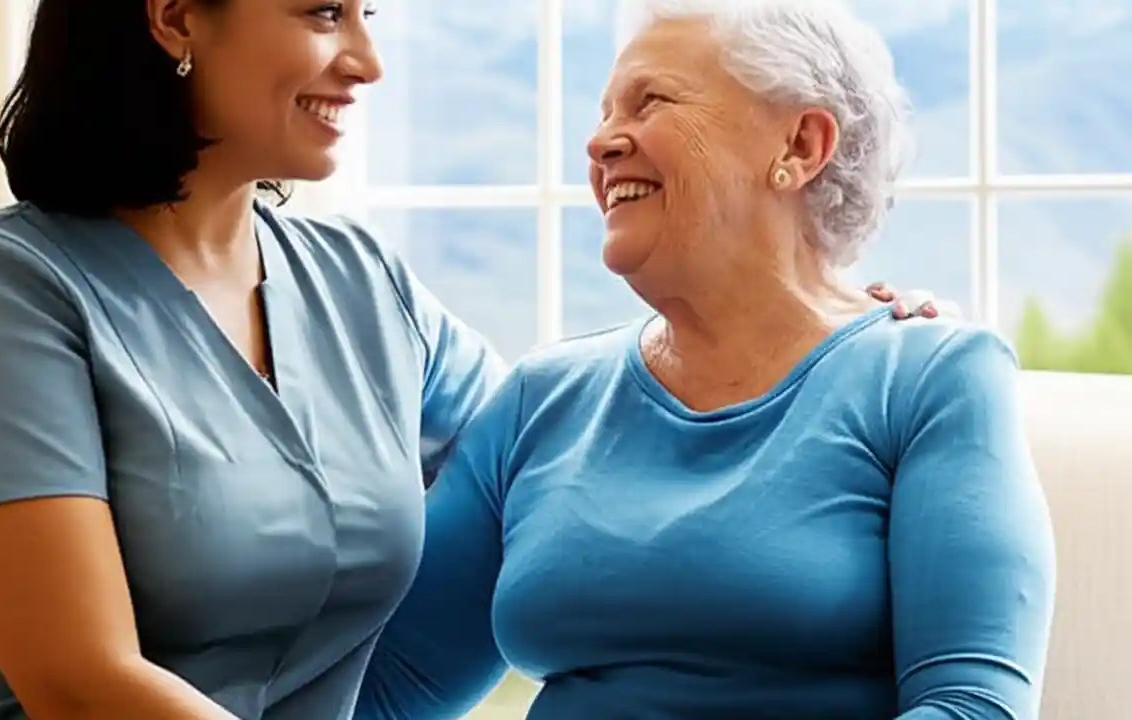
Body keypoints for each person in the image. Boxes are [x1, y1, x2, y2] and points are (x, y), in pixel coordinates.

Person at [0, 1, 942, 718]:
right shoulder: (0, 294)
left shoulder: (360, 285)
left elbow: (568, 455)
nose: (367, 61)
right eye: (321, 13)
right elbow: (79, 685)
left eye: (366, 15)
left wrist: (832, 334)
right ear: (177, 15)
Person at [355, 2, 1056, 719]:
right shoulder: (541, 399)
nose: (599, 143)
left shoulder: (932, 378)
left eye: (650, 101)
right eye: (603, 113)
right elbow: (378, 691)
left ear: (800, 145)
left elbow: (973, 706)